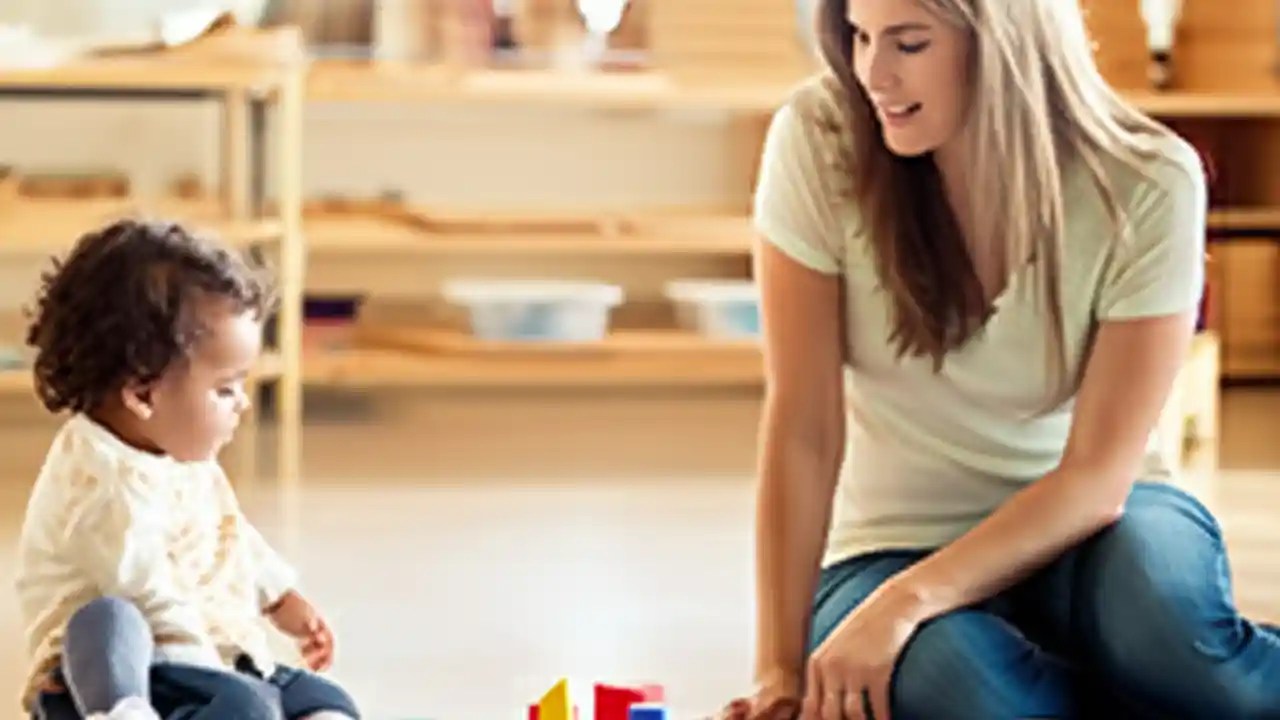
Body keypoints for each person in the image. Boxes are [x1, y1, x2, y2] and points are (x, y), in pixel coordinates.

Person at [720, 0, 1280, 718]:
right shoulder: (818, 139)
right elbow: (804, 428)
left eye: (909, 43)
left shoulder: (1146, 181)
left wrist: (909, 602)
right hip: (892, 545)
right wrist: (779, 672)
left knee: (1182, 650)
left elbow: (1097, 478)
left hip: (1093, 525)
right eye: (859, 37)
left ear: (1006, 43)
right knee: (972, 693)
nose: (872, 74)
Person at [14, 219, 360, 720]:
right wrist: (224, 682)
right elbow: (151, 598)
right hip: (128, 666)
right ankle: (120, 713)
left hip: (208, 651)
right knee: (115, 622)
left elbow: (226, 531)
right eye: (225, 389)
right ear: (143, 394)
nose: (242, 404)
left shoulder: (174, 451)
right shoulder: (102, 485)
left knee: (326, 701)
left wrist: (279, 595)